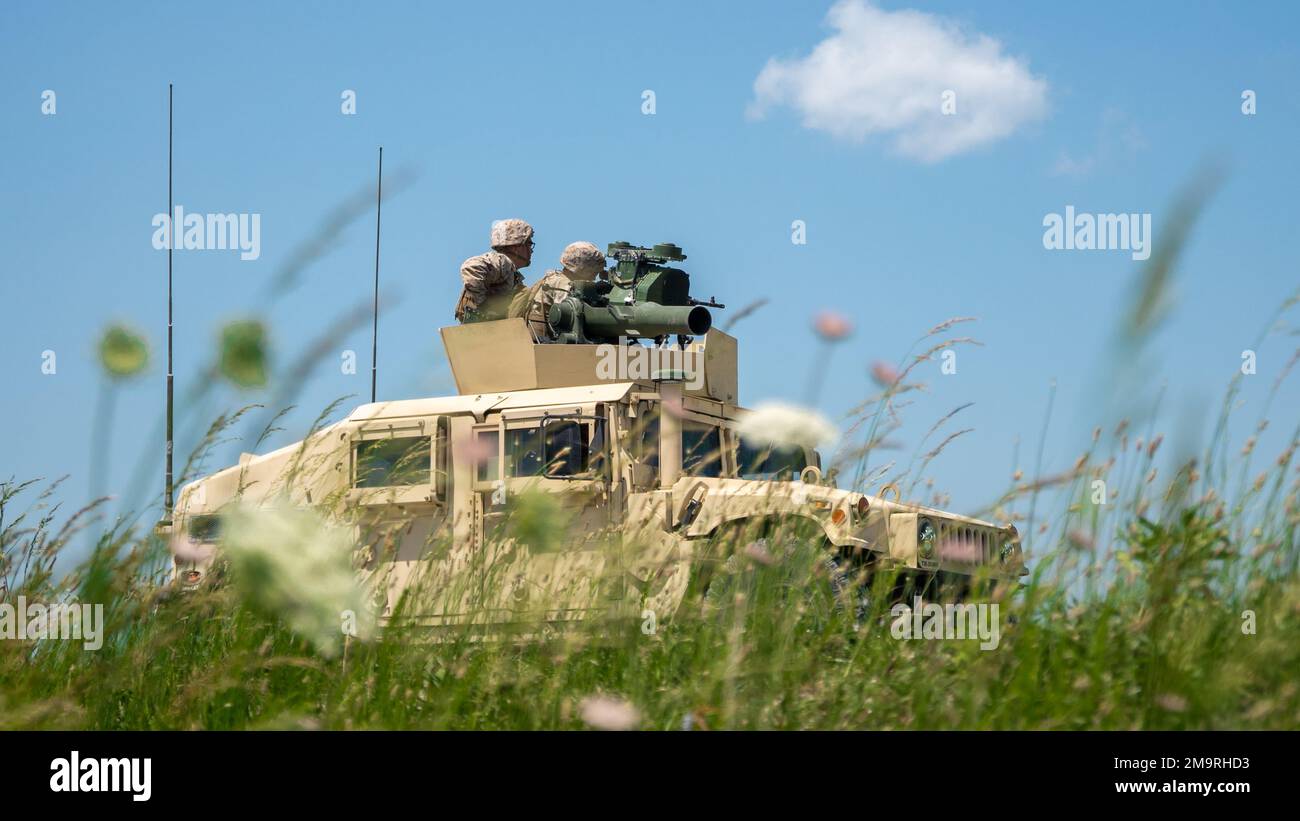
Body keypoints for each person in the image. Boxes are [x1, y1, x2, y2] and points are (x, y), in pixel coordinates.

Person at [510, 241, 606, 340]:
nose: (594, 277)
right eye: (594, 272)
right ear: (583, 268)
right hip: (543, 341)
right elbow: (570, 316)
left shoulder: (554, 277)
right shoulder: (563, 284)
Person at [454, 218, 535, 323]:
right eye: (529, 243)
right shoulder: (503, 262)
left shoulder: (512, 273)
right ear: (517, 247)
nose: (531, 250)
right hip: (485, 330)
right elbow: (471, 267)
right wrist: (483, 309)